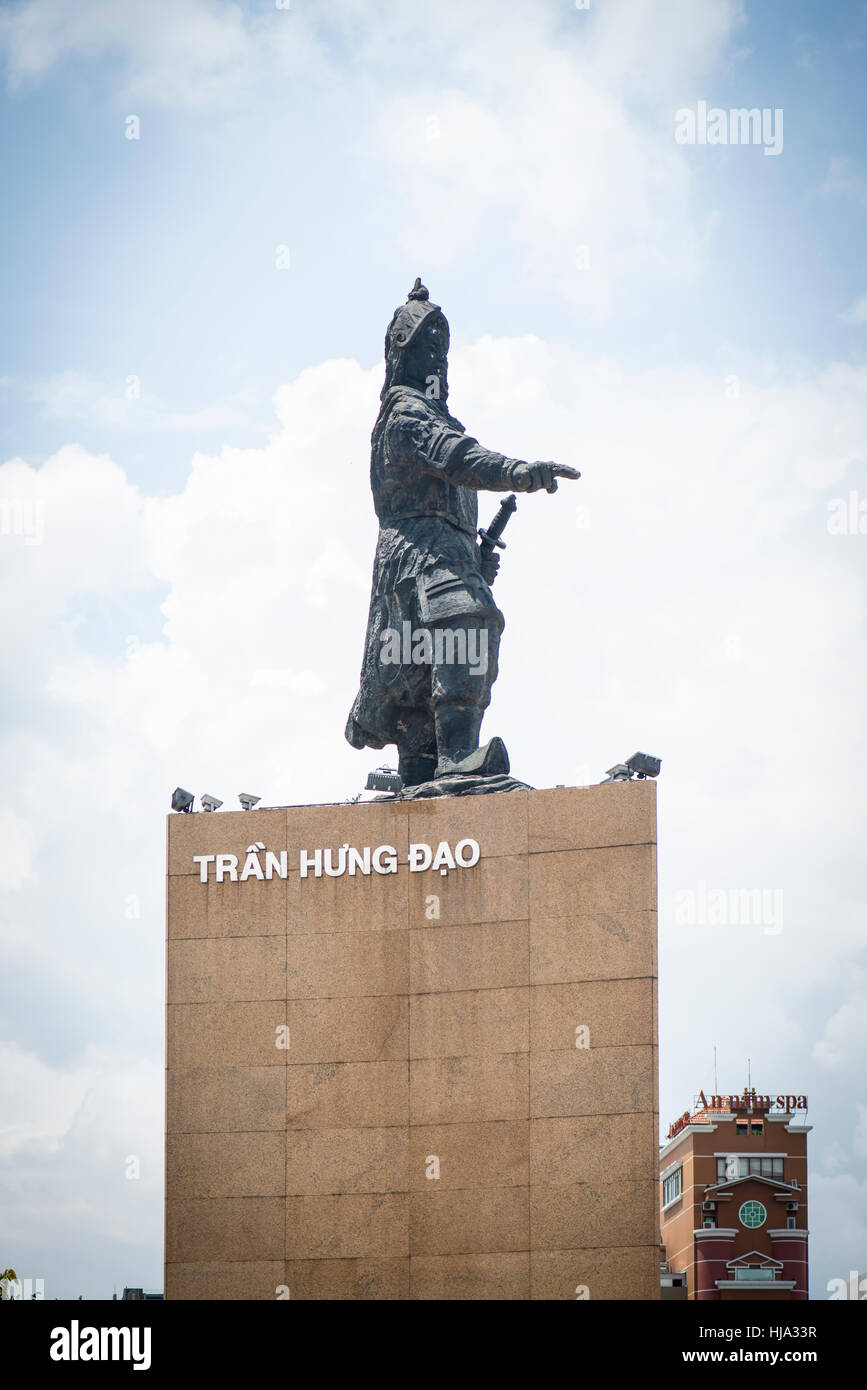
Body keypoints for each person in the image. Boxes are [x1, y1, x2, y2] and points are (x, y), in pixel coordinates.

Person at [345, 279, 579, 787]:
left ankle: (424, 770)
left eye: (442, 346)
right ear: (402, 353)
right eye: (427, 345)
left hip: (441, 552)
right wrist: (520, 472)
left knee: (435, 647)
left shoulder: (433, 417)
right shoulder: (407, 418)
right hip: (416, 554)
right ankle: (453, 757)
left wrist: (475, 558)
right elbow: (462, 458)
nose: (437, 357)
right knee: (462, 625)